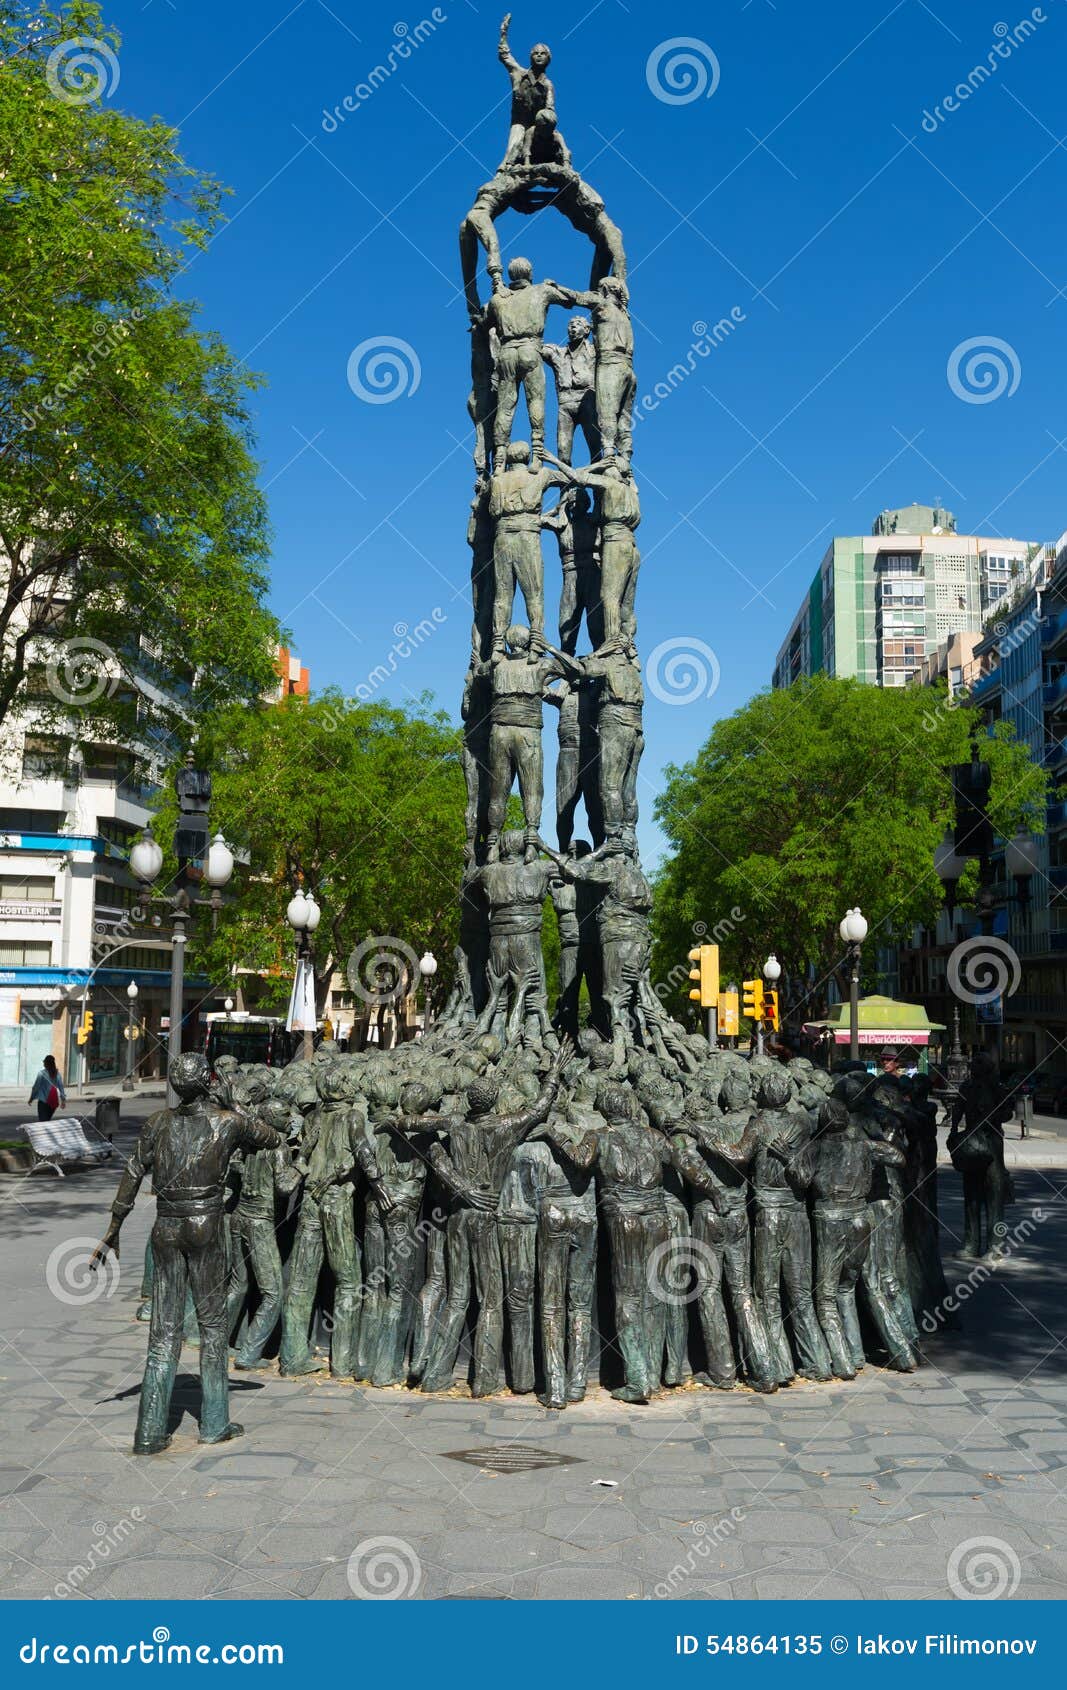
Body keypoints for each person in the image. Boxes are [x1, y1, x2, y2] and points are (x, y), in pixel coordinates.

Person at [29, 1054, 65, 1120]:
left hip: (43, 1102)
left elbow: (35, 1088)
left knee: (43, 1121)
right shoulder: (57, 1074)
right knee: (47, 1120)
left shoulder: (41, 1074)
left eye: (44, 1062)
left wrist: (31, 1098)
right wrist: (63, 1100)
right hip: (53, 1101)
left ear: (46, 1063)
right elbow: (61, 1088)